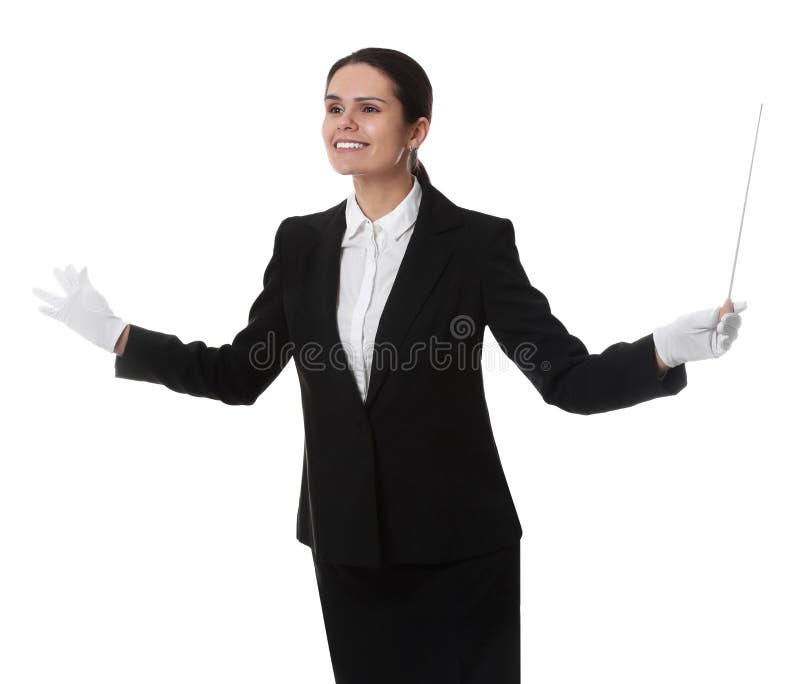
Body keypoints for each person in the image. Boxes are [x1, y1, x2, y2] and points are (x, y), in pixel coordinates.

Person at [33, 47, 746, 684]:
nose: (345, 121)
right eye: (333, 107)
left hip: (461, 550)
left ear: (417, 130)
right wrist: (118, 335)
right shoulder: (301, 243)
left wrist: (664, 348)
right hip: (346, 547)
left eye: (369, 108)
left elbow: (565, 378)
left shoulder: (475, 244)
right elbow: (238, 373)